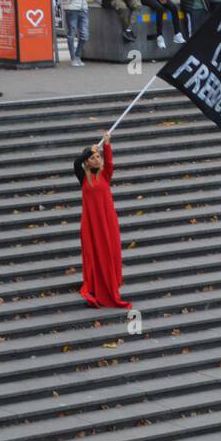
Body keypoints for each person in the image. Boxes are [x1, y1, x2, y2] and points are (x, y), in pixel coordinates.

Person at [74, 131, 131, 310]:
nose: (97, 160)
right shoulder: (83, 177)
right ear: (87, 162)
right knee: (92, 254)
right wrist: (88, 151)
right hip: (90, 223)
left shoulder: (106, 174)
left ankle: (110, 285)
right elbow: (75, 163)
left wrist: (106, 145)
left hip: (107, 221)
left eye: (98, 157)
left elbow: (110, 162)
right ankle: (93, 287)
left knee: (108, 251)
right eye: (93, 158)